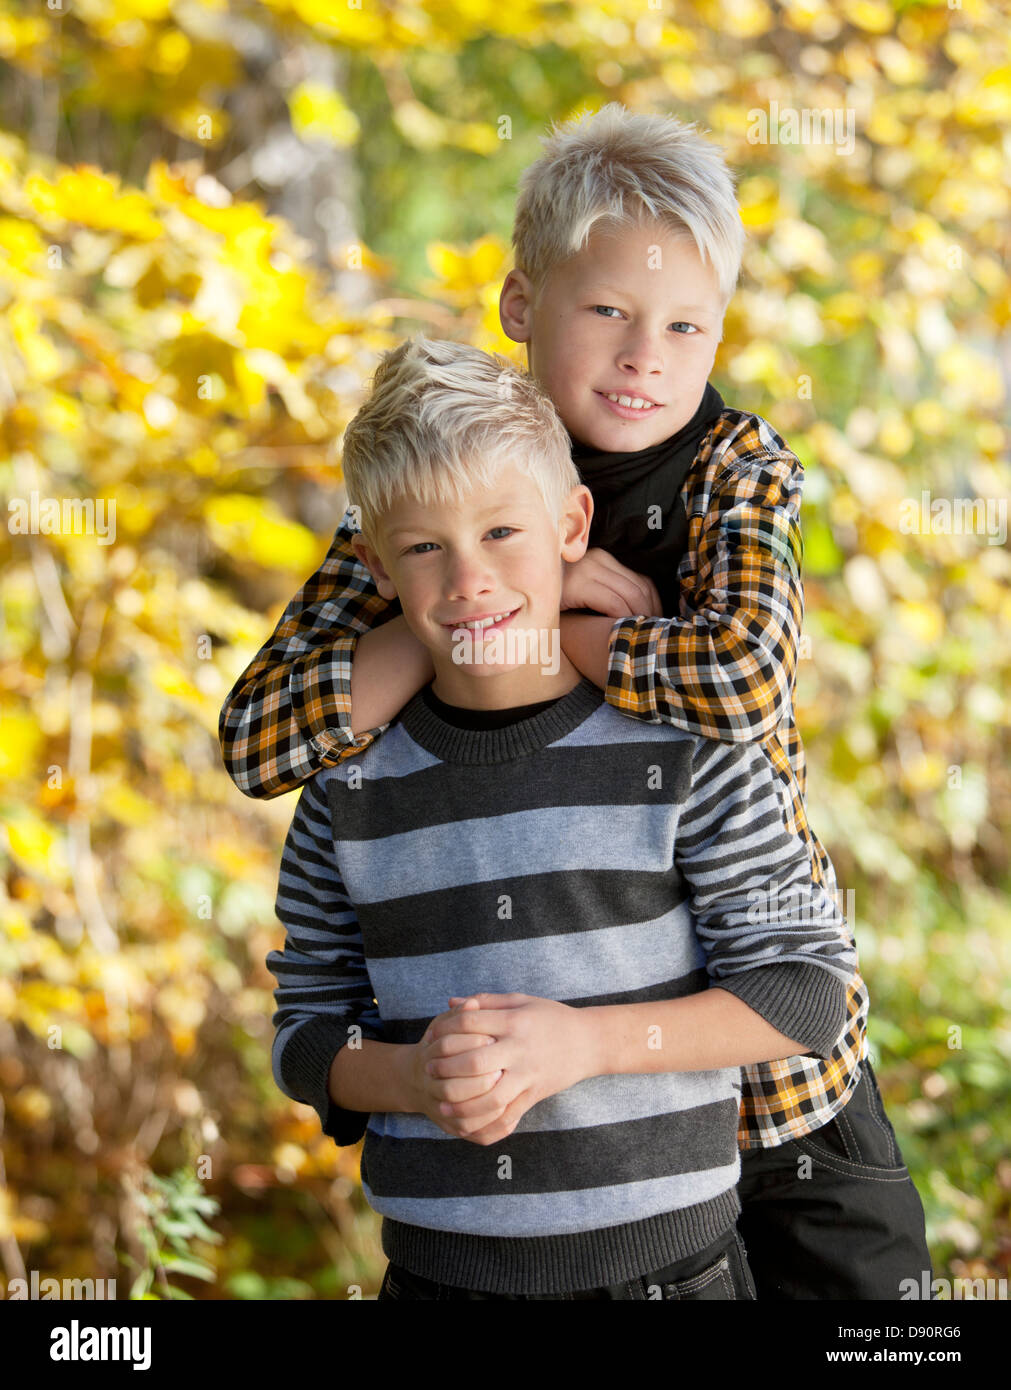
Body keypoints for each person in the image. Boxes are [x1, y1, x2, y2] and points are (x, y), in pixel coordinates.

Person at [224, 103, 932, 1299]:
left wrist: (584, 629)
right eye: (605, 310)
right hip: (575, 1082)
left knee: (856, 1292)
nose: (643, 354)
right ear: (520, 309)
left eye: (684, 324)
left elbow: (746, 680)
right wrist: (496, 603)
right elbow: (261, 737)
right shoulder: (455, 476)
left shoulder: (733, 470)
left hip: (759, 1030)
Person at [267, 336, 858, 1300]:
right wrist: (407, 1080)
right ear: (374, 564)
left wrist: (588, 1045)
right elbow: (305, 1032)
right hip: (434, 1279)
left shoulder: (678, 746)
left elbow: (802, 991)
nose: (467, 581)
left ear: (572, 523)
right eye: (424, 547)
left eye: (502, 532)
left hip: (672, 1277)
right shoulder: (349, 786)